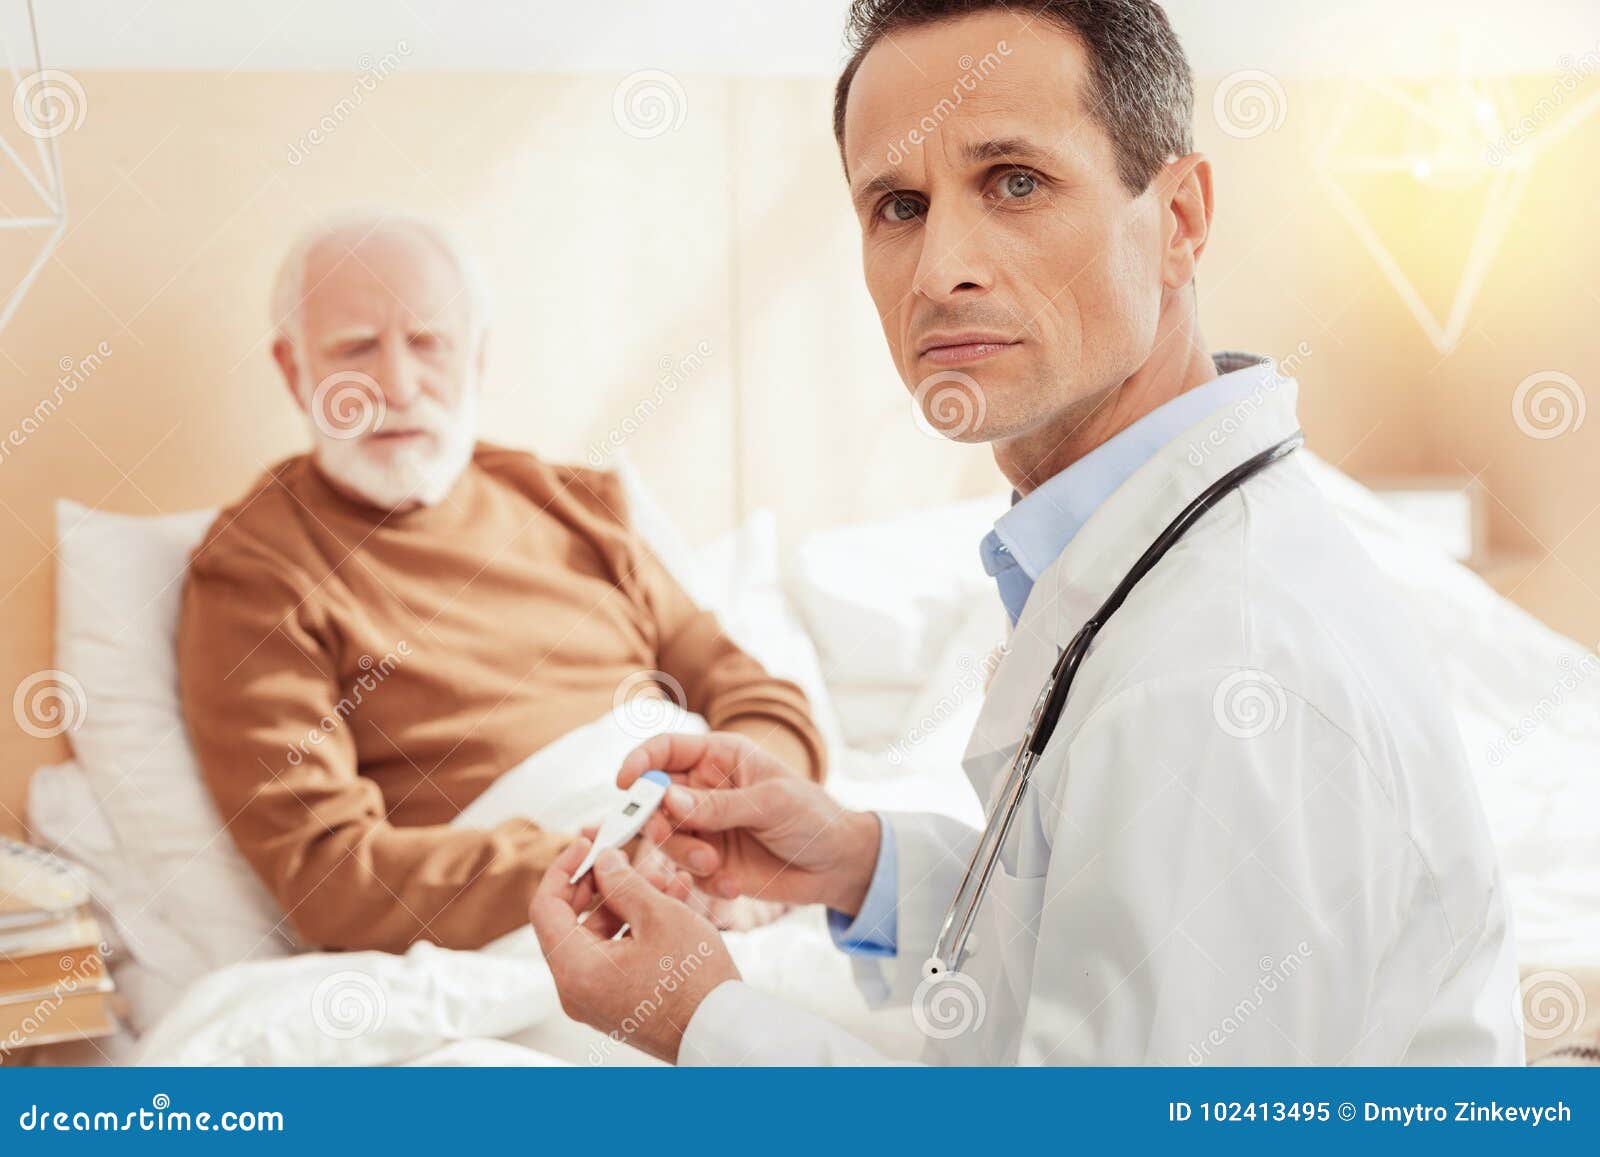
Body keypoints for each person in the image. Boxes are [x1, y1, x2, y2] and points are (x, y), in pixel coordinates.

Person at [530, 0, 1521, 1065]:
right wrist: (857, 863)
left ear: (1179, 219)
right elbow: (1100, 918)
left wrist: (701, 1017)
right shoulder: (1138, 551)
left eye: (1015, 182)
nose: (939, 267)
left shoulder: (1217, 673)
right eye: (898, 205)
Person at [177, 212, 823, 954]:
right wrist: (610, 864)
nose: (396, 382)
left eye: (428, 342)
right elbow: (328, 873)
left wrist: (735, 815)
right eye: (356, 348)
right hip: (559, 903)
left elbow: (760, 697)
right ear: (294, 371)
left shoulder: (573, 501)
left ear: (476, 358)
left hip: (727, 853)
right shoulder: (253, 569)